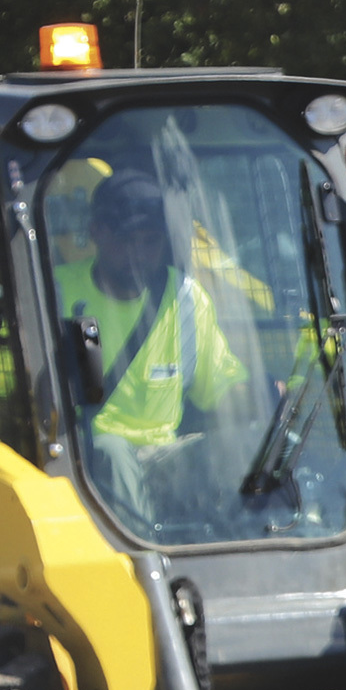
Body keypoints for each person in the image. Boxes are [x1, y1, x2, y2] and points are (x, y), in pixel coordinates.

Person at [54, 169, 247, 517]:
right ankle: (141, 559)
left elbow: (221, 389)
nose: (137, 253)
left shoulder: (185, 299)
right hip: (85, 460)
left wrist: (263, 401)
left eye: (150, 241)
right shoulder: (61, 294)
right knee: (111, 448)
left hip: (165, 453)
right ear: (97, 232)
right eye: (126, 240)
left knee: (240, 443)